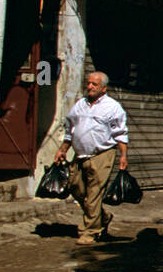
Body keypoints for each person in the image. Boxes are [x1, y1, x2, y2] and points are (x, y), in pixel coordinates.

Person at [53, 71, 129, 244]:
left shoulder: (112, 107)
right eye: (88, 83)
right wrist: (63, 149)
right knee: (75, 187)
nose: (89, 87)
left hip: (102, 154)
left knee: (94, 194)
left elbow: (120, 133)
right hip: (80, 155)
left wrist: (123, 155)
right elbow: (69, 129)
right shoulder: (80, 104)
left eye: (94, 84)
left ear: (103, 88)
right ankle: (103, 216)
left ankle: (90, 232)